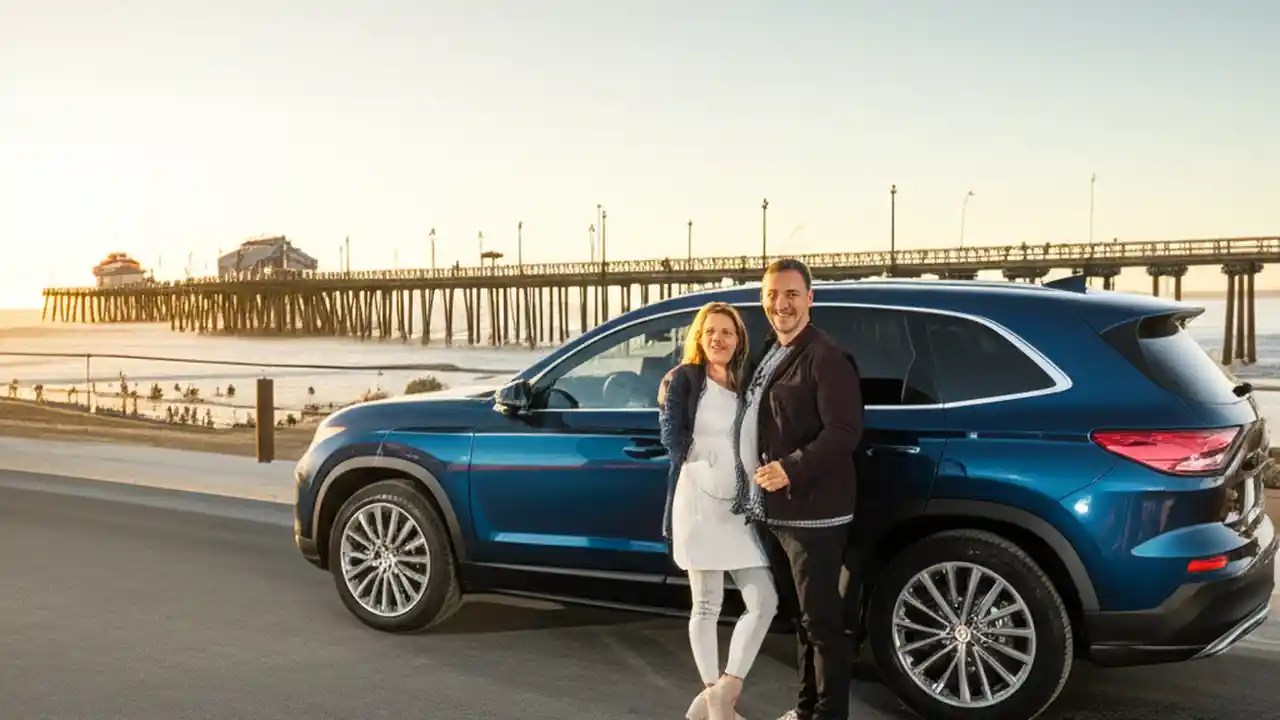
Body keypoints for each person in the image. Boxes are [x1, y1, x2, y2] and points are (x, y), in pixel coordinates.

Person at [732, 258, 864, 720]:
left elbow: (844, 431)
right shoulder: (772, 350)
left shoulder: (826, 357)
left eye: (791, 294)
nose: (780, 304)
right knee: (803, 623)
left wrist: (792, 467)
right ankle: (806, 710)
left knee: (824, 625)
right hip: (777, 512)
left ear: (810, 298)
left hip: (814, 514)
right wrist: (680, 383)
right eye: (771, 294)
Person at [659, 301, 779, 720]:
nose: (718, 338)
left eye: (727, 332)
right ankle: (717, 698)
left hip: (740, 504)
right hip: (698, 500)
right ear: (699, 337)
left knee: (764, 599)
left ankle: (718, 696)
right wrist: (700, 464)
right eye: (710, 331)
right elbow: (672, 436)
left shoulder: (745, 380)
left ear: (738, 339)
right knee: (706, 605)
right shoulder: (685, 379)